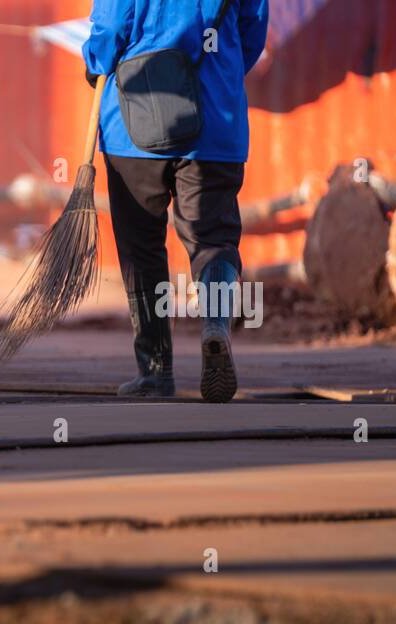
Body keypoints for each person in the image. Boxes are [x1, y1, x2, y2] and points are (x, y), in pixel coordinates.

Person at [84, 0, 270, 402]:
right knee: (213, 238)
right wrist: (222, 71)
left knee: (142, 247)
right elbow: (253, 33)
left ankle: (154, 371)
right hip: (215, 123)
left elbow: (112, 27)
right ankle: (215, 325)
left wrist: (93, 61)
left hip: (136, 123)